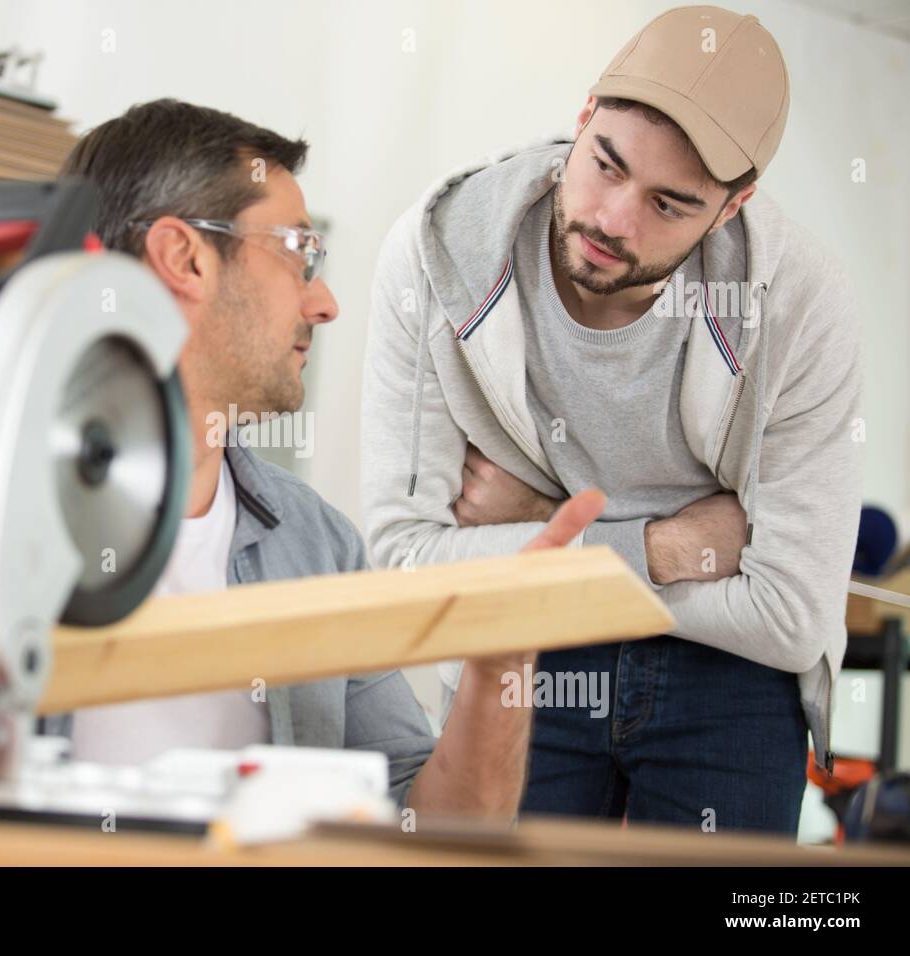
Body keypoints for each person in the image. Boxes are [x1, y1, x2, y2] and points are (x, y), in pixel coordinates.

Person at [0, 99, 602, 820]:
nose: (324, 299)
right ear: (183, 256)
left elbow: (434, 829)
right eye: (298, 250)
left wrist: (498, 664)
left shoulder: (315, 541)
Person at [361, 6, 861, 832]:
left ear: (731, 209)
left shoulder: (802, 302)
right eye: (605, 165)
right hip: (534, 644)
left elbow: (790, 615)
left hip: (728, 671)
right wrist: (664, 546)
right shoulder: (438, 251)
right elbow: (406, 563)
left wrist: (545, 533)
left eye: (670, 204)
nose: (613, 220)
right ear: (584, 114)